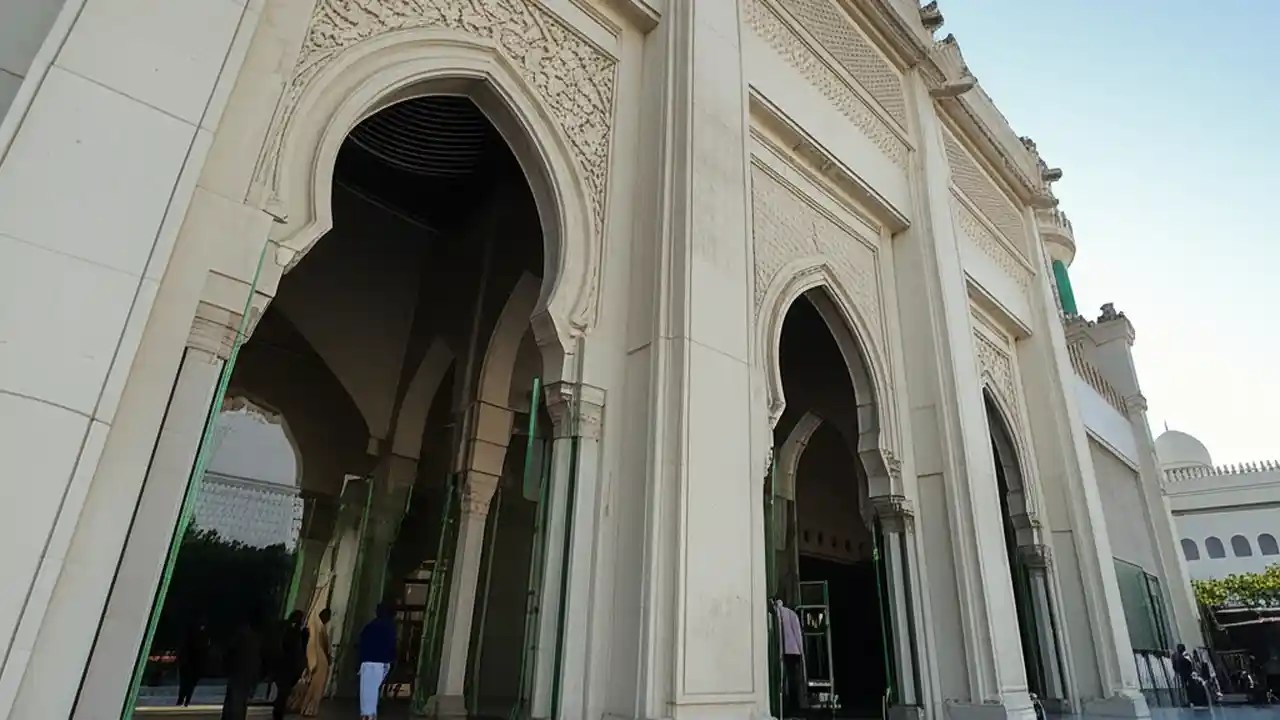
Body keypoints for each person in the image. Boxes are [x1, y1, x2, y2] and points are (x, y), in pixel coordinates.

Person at [222, 611, 264, 720]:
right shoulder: (257, 638)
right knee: (240, 702)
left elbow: (230, 652)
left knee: (234, 701)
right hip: (247, 674)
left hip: (238, 672)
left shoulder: (242, 634)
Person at [358, 604, 397, 720]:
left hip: (367, 660)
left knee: (366, 689)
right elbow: (392, 645)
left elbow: (362, 643)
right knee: (374, 688)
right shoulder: (390, 627)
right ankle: (370, 713)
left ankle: (366, 713)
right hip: (381, 662)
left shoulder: (370, 626)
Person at [273, 610, 309, 720]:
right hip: (289, 666)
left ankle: (278, 711)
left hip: (286, 665)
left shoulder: (288, 630)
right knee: (284, 691)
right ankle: (278, 712)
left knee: (283, 691)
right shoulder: (293, 632)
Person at [298, 608, 332, 717]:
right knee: (318, 687)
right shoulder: (321, 629)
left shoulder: (314, 627)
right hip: (321, 661)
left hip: (314, 659)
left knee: (312, 686)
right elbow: (325, 647)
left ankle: (304, 707)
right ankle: (311, 709)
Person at [177, 618, 209, 706]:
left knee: (186, 683)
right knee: (188, 683)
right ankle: (184, 700)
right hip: (191, 663)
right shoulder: (199, 638)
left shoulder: (193, 638)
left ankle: (183, 699)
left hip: (190, 663)